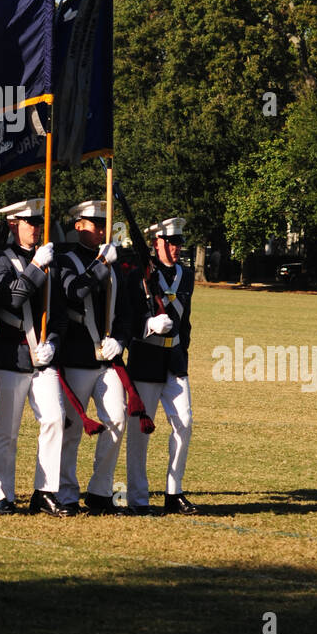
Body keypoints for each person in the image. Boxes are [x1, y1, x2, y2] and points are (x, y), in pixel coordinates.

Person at [0, 198, 68, 515]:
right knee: (7, 429)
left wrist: (54, 343)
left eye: (38, 222)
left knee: (54, 418)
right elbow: (11, 298)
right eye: (28, 222)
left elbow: (59, 314)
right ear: (13, 225)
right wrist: (36, 266)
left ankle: (45, 492)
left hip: (43, 357)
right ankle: (3, 496)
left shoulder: (52, 261)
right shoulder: (0, 260)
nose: (35, 228)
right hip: (11, 352)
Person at [55, 201, 132, 516]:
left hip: (108, 358)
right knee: (71, 428)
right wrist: (102, 264)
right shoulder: (65, 260)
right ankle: (65, 493)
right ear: (78, 226)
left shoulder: (116, 262)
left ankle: (100, 491)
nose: (100, 229)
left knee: (117, 418)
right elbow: (74, 291)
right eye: (93, 224)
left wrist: (122, 341)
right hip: (75, 356)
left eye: (104, 224)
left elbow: (126, 311)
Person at [125, 216, 195, 515]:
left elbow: (186, 320)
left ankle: (173, 491)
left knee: (185, 423)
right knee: (140, 433)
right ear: (156, 243)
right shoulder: (138, 274)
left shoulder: (186, 275)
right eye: (171, 242)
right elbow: (125, 320)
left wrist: (184, 351)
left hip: (175, 361)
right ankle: (138, 497)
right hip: (146, 360)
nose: (177, 248)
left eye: (179, 242)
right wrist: (148, 325)